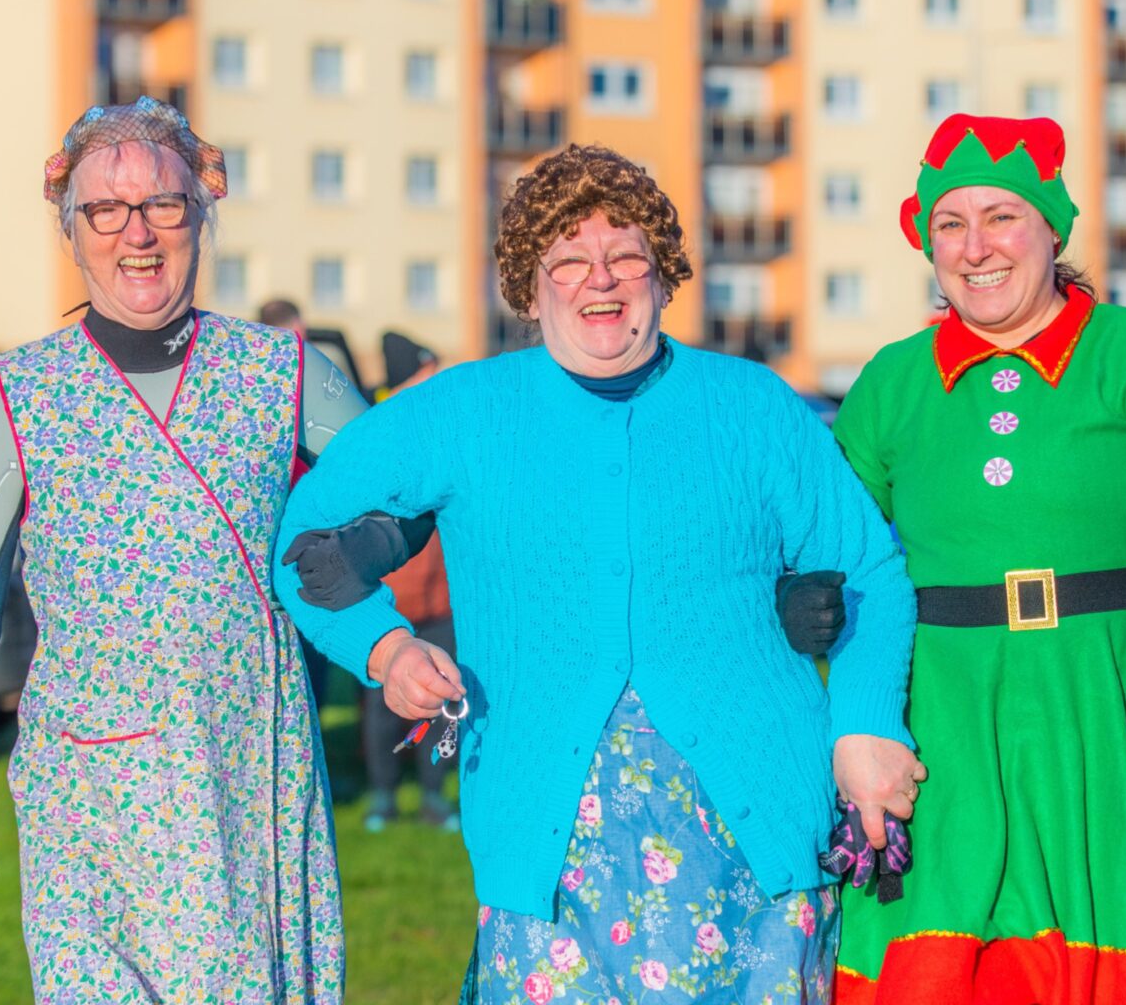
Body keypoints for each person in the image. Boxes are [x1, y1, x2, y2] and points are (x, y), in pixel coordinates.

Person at [273, 143, 924, 1002]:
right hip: (548, 858)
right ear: (528, 286)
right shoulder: (463, 410)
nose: (600, 281)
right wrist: (387, 651)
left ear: (663, 275)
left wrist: (867, 725)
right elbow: (304, 544)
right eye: (569, 261)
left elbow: (870, 565)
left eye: (626, 257)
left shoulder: (753, 405)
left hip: (755, 847)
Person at [831, 114, 1126, 1004]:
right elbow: (837, 548)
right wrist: (809, 594)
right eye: (950, 225)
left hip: (1112, 709)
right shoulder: (892, 381)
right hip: (949, 724)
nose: (976, 248)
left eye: (1002, 216)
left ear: (1053, 227)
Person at [0, 97, 358, 1003]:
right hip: (89, 806)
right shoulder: (14, 398)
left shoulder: (288, 372)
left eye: (164, 204)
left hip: (253, 788)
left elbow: (403, 491)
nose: (137, 234)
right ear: (71, 231)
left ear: (204, 209)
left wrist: (374, 541)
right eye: (105, 210)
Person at [360, 332, 457, 832]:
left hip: (441, 599)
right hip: (389, 599)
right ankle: (382, 796)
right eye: (427, 375)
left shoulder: (447, 437)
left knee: (444, 702)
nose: (436, 385)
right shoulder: (376, 438)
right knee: (381, 708)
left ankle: (435, 797)